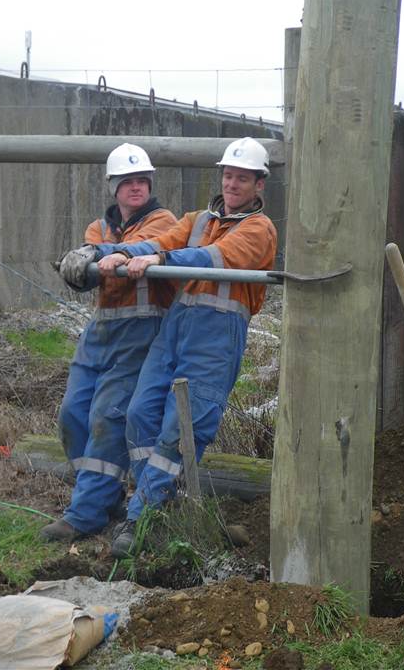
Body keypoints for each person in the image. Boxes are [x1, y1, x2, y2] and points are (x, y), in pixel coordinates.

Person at [93, 136, 278, 558]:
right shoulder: (197, 219)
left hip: (216, 336)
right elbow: (158, 244)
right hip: (177, 326)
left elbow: (214, 257)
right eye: (228, 175)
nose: (232, 184)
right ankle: (160, 505)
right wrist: (112, 252)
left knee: (183, 430)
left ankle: (140, 517)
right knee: (140, 412)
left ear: (259, 185)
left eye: (242, 178)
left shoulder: (258, 229)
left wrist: (161, 263)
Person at [40, 143, 177, 542]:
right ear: (113, 187)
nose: (135, 188)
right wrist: (78, 268)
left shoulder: (163, 222)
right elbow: (85, 276)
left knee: (107, 415)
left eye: (142, 181)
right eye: (127, 182)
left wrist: (97, 261)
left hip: (141, 330)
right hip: (100, 331)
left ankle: (84, 514)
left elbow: (120, 260)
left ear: (149, 184)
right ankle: (106, 495)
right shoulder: (98, 228)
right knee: (72, 413)